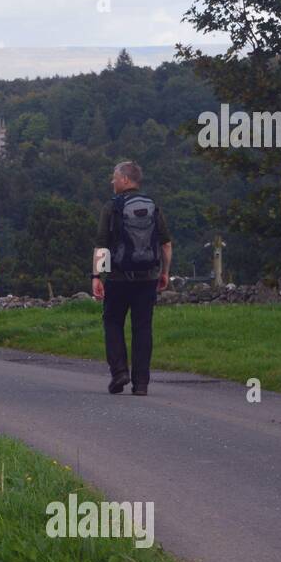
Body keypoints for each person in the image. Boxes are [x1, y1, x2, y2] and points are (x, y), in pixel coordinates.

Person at [91, 161, 172, 396]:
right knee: (143, 328)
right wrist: (164, 272)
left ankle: (119, 373)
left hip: (117, 278)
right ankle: (141, 383)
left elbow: (102, 245)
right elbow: (166, 244)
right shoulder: (153, 206)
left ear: (125, 180)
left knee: (113, 322)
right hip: (147, 278)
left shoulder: (112, 207)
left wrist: (97, 275)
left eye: (114, 177)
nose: (112, 181)